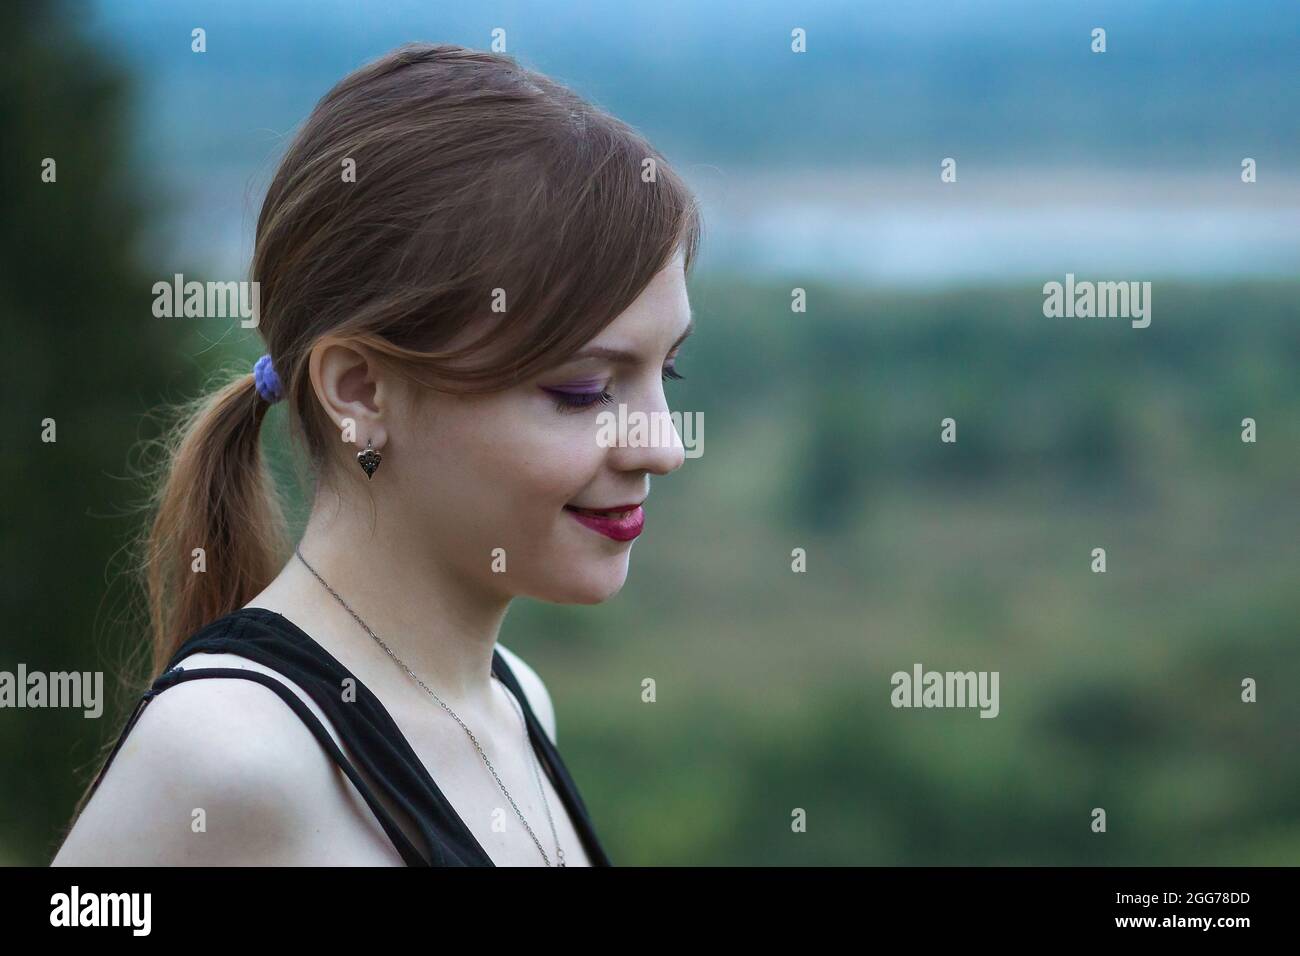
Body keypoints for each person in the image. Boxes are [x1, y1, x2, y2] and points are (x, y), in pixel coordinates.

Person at [52, 41, 701, 866]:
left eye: (666, 369)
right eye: (582, 390)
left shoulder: (515, 700)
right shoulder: (228, 758)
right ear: (357, 390)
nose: (665, 446)